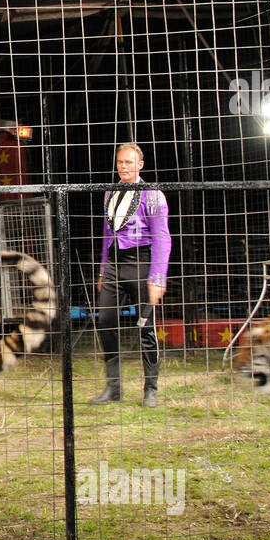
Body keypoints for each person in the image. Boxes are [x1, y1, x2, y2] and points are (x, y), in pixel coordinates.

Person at [91, 143, 172, 408]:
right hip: (114, 262)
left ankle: (150, 388)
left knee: (146, 327)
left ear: (140, 164)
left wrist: (157, 277)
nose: (123, 167)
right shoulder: (110, 193)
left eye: (128, 162)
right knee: (106, 322)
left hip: (141, 261)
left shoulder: (152, 194)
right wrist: (103, 269)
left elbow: (162, 237)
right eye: (120, 162)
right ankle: (113, 387)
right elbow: (106, 235)